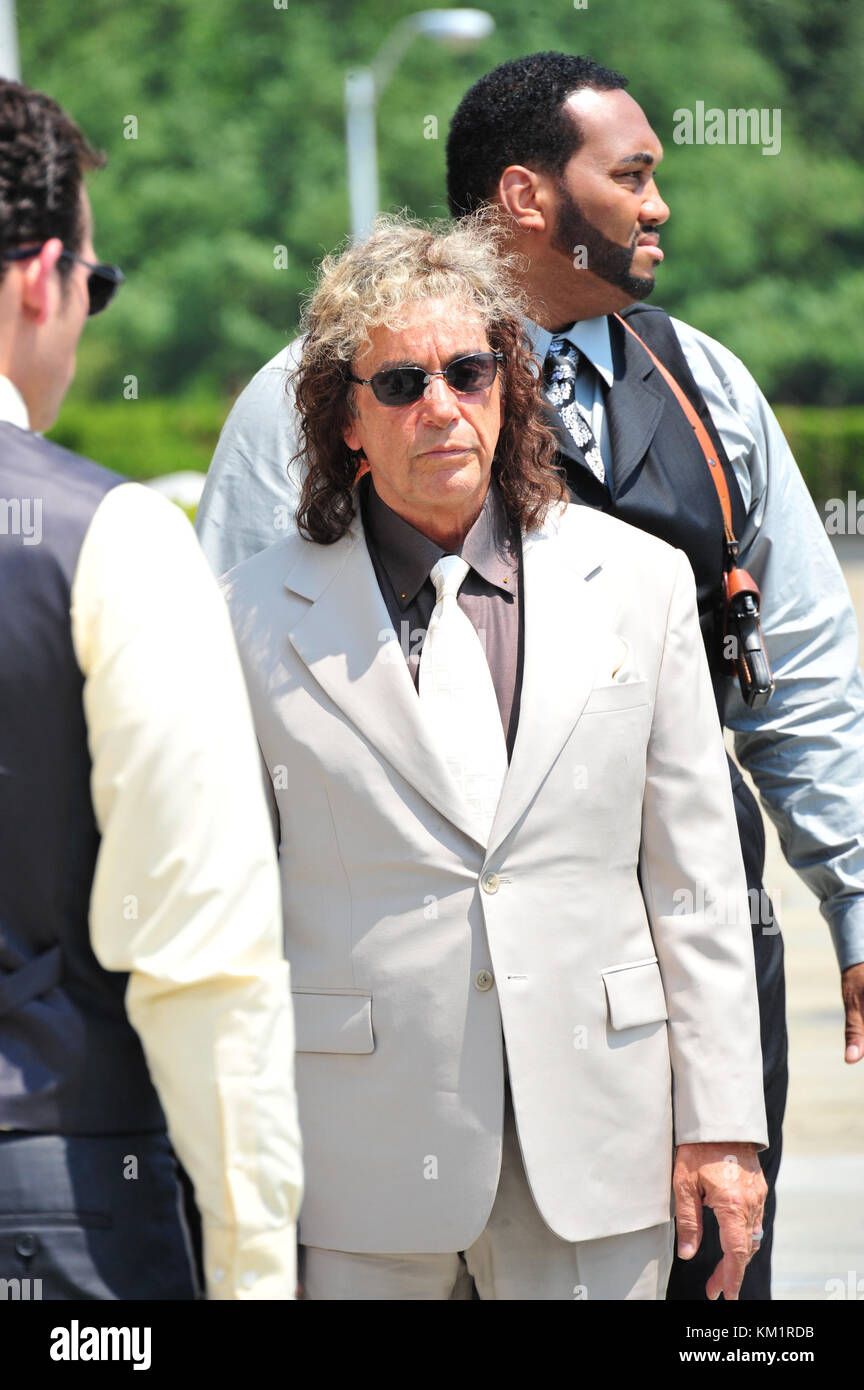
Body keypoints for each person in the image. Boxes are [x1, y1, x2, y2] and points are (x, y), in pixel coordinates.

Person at [195, 52, 864, 1301]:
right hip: (381, 1093)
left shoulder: (705, 391)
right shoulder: (283, 421)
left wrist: (854, 890)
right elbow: (231, 731)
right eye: (632, 175)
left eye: (472, 374)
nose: (657, 205)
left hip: (657, 988)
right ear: (527, 194)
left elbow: (806, 674)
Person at [0, 80, 302, 1301]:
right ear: (42, 275)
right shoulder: (106, 538)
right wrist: (255, 1263)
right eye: (95, 284)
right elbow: (204, 957)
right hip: (53, 1202)